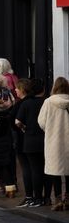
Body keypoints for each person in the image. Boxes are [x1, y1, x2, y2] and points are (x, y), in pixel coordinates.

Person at [14, 78, 47, 207]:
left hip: (30, 140)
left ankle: (33, 198)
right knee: (44, 169)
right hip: (44, 139)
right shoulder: (45, 102)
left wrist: (23, 128)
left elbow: (17, 121)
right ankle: (43, 197)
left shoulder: (25, 104)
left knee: (34, 169)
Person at [38, 76, 69, 211]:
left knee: (55, 171)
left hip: (54, 142)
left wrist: (50, 129)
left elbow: (42, 122)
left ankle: (57, 200)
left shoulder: (48, 102)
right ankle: (67, 198)